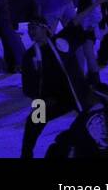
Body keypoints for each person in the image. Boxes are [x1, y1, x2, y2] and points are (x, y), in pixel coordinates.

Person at [45, 54, 108, 158]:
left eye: (89, 93)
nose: (86, 95)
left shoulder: (83, 118)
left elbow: (70, 140)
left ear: (95, 97)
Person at [20, 20, 86, 157]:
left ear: (45, 29)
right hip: (50, 98)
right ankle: (26, 155)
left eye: (34, 27)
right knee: (33, 123)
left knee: (88, 120)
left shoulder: (60, 43)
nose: (31, 32)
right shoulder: (30, 56)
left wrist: (96, 4)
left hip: (74, 92)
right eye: (29, 29)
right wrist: (40, 100)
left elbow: (74, 24)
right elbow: (28, 86)